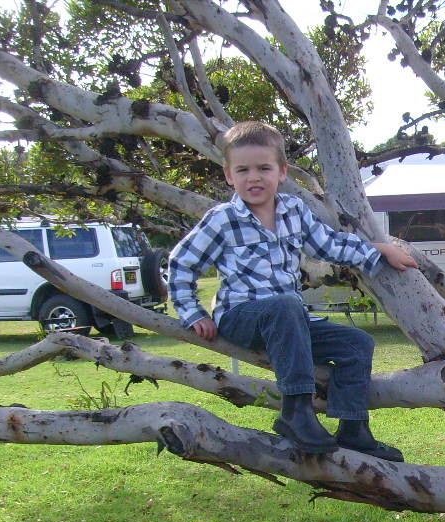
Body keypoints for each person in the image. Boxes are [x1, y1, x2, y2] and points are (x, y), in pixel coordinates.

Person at [168, 121, 417, 460]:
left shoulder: (293, 211)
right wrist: (193, 312)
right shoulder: (222, 219)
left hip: (290, 322)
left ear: (282, 172)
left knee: (358, 343)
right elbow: (181, 264)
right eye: (243, 170)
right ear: (229, 175)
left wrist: (378, 249)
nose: (253, 177)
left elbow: (329, 245)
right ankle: (295, 412)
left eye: (263, 168)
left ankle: (353, 428)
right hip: (242, 316)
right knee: (285, 305)